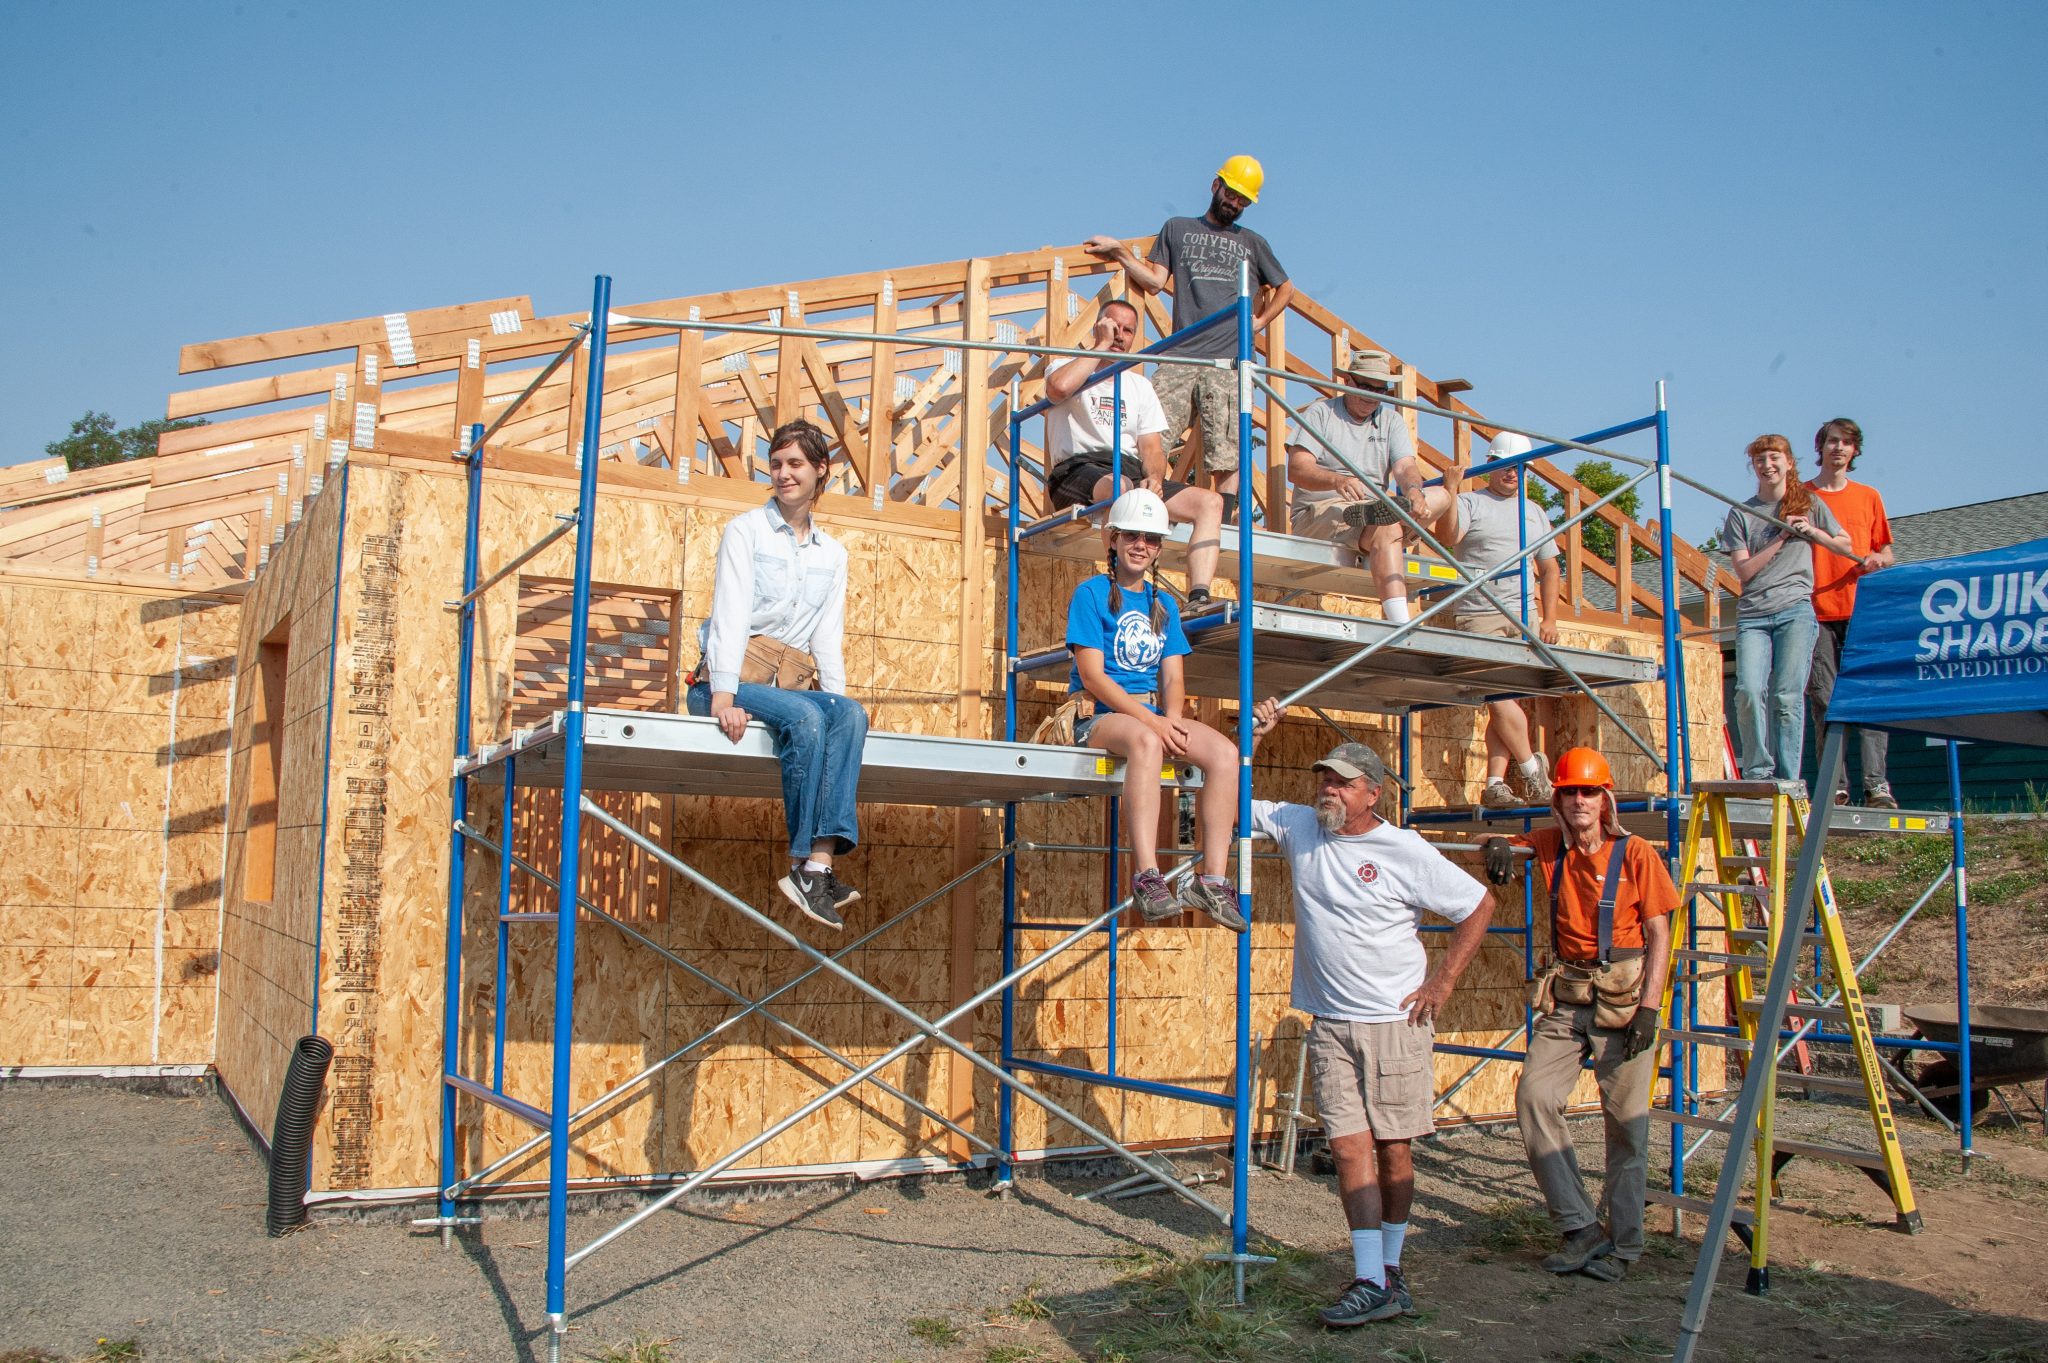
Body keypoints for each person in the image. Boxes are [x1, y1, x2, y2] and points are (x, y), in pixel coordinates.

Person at [1246, 699, 1497, 1328]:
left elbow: (1478, 904)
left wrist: (1442, 983)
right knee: (1349, 1148)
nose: (1327, 789)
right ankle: (1369, 1280)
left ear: (1372, 793)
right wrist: (1245, 738)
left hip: (1394, 1022)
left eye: (1341, 782)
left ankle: (1390, 1271)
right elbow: (1218, 801)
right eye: (1323, 779)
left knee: (1393, 1152)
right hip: (1330, 1022)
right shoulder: (1301, 825)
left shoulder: (1402, 848)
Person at [1481, 747, 1679, 1283]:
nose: (1579, 801)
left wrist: (1650, 1010)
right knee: (1535, 1098)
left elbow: (1661, 936)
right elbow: (1500, 846)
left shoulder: (1636, 854)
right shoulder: (1548, 845)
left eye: (1589, 792)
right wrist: (1497, 844)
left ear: (1606, 798)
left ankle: (1625, 1247)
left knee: (1626, 1129)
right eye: (1569, 791)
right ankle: (1580, 1226)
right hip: (1569, 993)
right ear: (1559, 801)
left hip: (1625, 995)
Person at [687, 418, 868, 930]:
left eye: (795, 464)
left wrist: (837, 709)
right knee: (807, 723)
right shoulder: (746, 531)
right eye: (777, 464)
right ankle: (800, 862)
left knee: (849, 714)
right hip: (725, 681)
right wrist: (722, 697)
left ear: (819, 471)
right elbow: (729, 613)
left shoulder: (832, 555)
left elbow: (826, 639)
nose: (784, 474)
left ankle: (819, 865)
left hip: (782, 688)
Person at [1062, 489, 1247, 930]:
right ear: (1112, 539)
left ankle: (1214, 879)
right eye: (1131, 536)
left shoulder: (1162, 605)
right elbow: (1093, 677)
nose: (1141, 545)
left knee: (1223, 755)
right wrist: (1154, 721)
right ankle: (1146, 874)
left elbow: (1173, 676)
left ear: (1160, 547)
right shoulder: (1090, 594)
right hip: (1099, 715)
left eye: (1151, 538)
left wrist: (1176, 719)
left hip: (1150, 715)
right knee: (1147, 742)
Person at [1082, 155, 1293, 521]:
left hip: (1229, 359)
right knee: (1150, 433)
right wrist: (1119, 252)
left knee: (1227, 447)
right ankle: (1142, 507)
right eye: (1231, 194)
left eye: (1243, 200)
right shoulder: (1178, 228)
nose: (1235, 204)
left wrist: (1259, 322)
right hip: (1181, 354)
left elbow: (1286, 288)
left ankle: (1223, 522)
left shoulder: (1253, 244)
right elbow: (1153, 282)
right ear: (1216, 186)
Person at [1043, 298, 1226, 605]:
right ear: (1099, 327)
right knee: (1122, 489)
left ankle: (1198, 596)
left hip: (1127, 469)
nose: (1119, 335)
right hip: (1076, 469)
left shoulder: (1139, 386)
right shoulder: (1067, 364)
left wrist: (1154, 477)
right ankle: (1120, 586)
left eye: (1127, 331)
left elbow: (1152, 447)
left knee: (1210, 502)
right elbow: (1058, 389)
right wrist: (1099, 347)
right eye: (1113, 326)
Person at [1721, 434, 1854, 786]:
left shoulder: (1807, 503)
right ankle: (1757, 769)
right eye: (1761, 460)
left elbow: (1844, 544)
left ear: (1789, 463)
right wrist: (1782, 537)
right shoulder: (1742, 513)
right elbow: (1745, 571)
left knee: (1787, 695)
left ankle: (1788, 775)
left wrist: (1810, 531)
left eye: (1774, 458)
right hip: (1753, 614)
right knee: (1749, 690)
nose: (1768, 465)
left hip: (1794, 610)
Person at [1285, 351, 1453, 624]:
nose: (1372, 395)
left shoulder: (1391, 421)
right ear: (1348, 382)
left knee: (1442, 496)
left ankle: (1396, 514)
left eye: (1380, 389)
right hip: (1323, 509)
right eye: (1366, 386)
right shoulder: (1321, 413)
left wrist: (1413, 490)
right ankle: (1399, 623)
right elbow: (1297, 469)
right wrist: (1336, 480)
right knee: (1387, 526)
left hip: (1374, 508)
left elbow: (1405, 467)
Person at [1444, 432, 1560, 808]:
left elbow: (1549, 566)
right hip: (1479, 613)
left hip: (1522, 615)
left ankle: (1495, 782)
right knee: (1499, 696)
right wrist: (1448, 493)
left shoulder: (1534, 511)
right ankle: (1531, 770)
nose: (1511, 472)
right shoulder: (1470, 502)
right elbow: (1446, 536)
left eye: (1519, 467)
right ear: (1490, 464)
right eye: (1504, 465)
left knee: (1503, 700)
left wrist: (1550, 618)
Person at [1803, 418, 1898, 807]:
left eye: (1846, 443)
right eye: (1831, 441)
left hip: (1863, 611)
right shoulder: (1802, 494)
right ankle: (1834, 787)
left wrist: (1877, 558)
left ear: (1854, 451)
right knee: (1825, 701)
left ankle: (1876, 786)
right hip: (1816, 611)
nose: (1838, 448)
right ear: (1820, 447)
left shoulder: (1868, 496)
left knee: (1871, 698)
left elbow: (1888, 551)